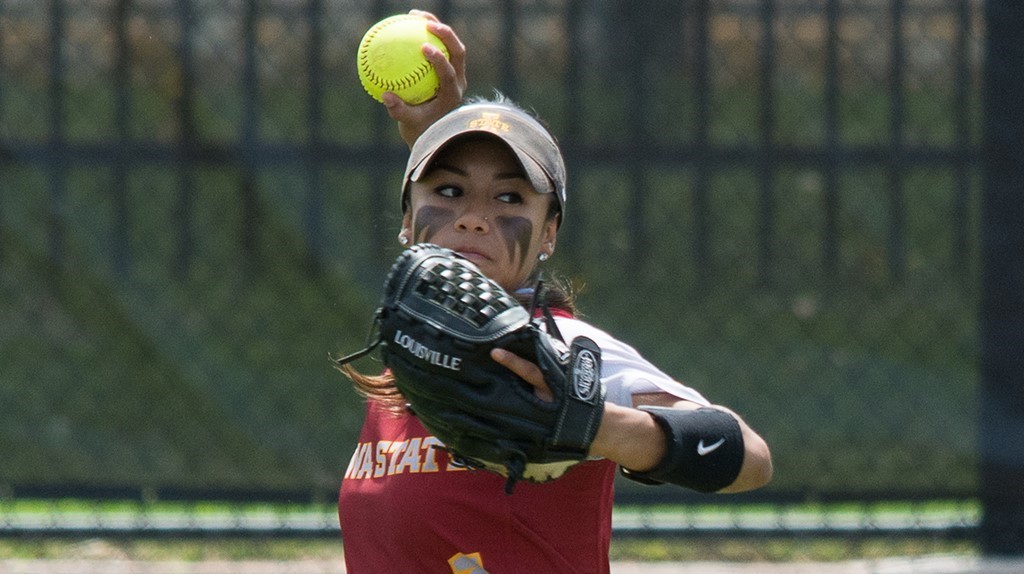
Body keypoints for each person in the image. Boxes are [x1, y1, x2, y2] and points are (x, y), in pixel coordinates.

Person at [337, 11, 772, 573]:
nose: (472, 218)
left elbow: (749, 458)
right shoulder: (418, 341)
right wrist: (442, 123)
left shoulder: (554, 346)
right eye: (449, 191)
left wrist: (594, 425)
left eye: (510, 199)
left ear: (549, 234)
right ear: (406, 218)